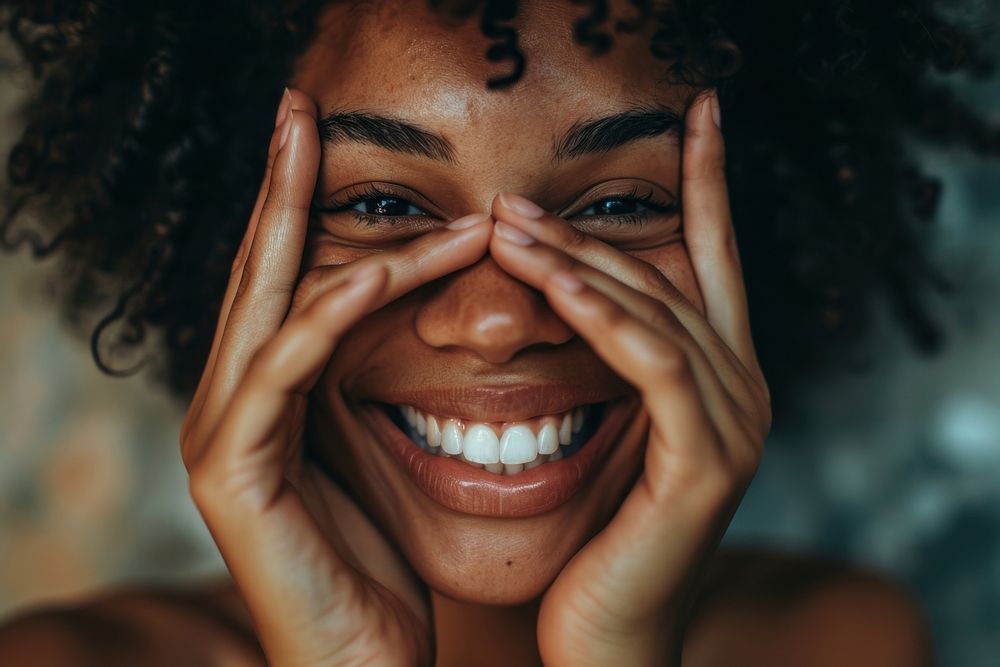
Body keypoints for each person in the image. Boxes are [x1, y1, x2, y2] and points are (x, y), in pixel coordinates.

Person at [4, 0, 988, 663]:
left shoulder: (835, 639)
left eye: (614, 208)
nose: (497, 319)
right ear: (238, 260)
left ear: (745, 245)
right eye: (385, 205)